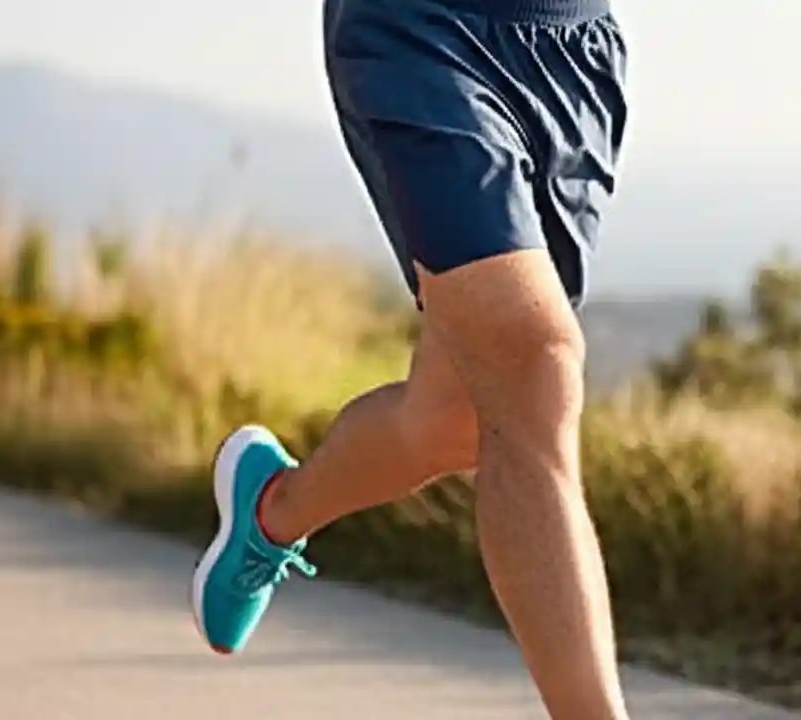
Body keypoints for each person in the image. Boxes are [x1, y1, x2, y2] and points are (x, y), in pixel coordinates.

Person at [191, 0, 629, 716]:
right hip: (420, 26)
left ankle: (275, 510)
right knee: (536, 369)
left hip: (572, 45)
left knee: (454, 420)